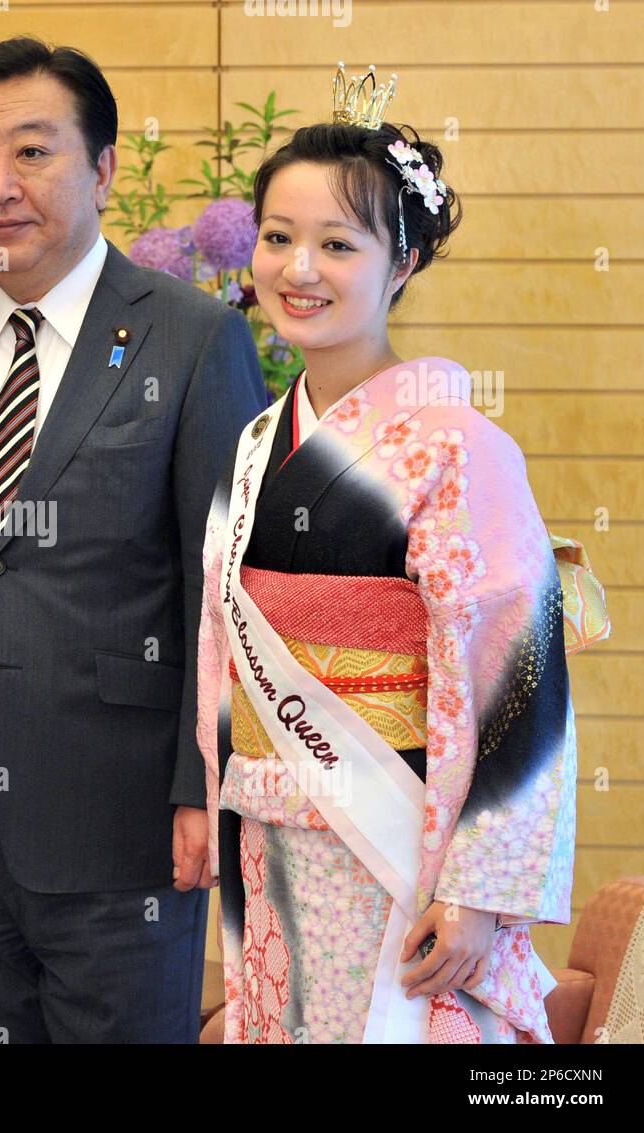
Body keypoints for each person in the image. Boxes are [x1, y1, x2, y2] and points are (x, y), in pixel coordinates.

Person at [0, 37, 266, 1043]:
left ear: (104, 168)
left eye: (32, 152)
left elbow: (225, 589)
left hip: (122, 813)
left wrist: (200, 784)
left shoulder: (194, 336)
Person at [198, 64, 608, 1043]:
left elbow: (522, 671)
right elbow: (223, 649)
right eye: (278, 237)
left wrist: (476, 890)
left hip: (395, 840)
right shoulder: (258, 444)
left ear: (402, 263)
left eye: (337, 243)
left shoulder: (460, 447)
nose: (298, 268)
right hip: (265, 826)